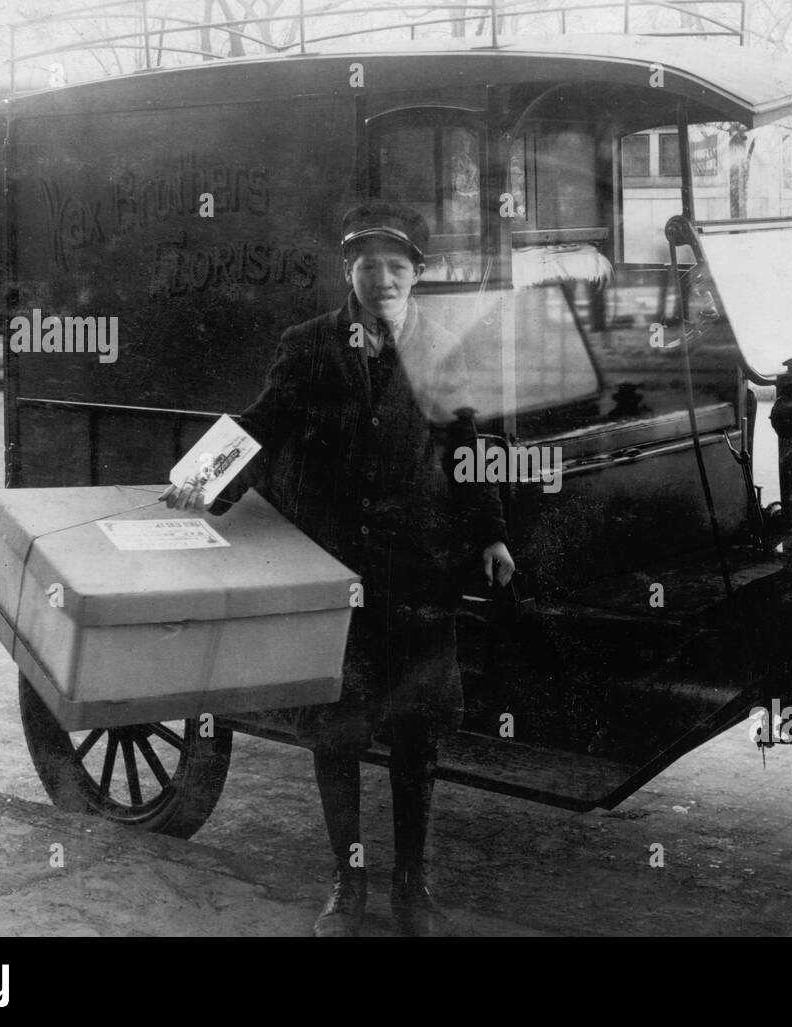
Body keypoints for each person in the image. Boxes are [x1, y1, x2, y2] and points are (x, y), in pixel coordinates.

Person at [163, 202, 514, 937]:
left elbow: (466, 447)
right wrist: (198, 478)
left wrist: (490, 534)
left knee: (419, 737)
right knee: (339, 732)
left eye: (396, 264)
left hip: (421, 572)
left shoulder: (446, 349)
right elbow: (263, 420)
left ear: (418, 272)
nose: (381, 277)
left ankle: (412, 889)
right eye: (367, 263)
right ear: (347, 270)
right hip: (335, 575)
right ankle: (346, 884)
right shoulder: (309, 346)